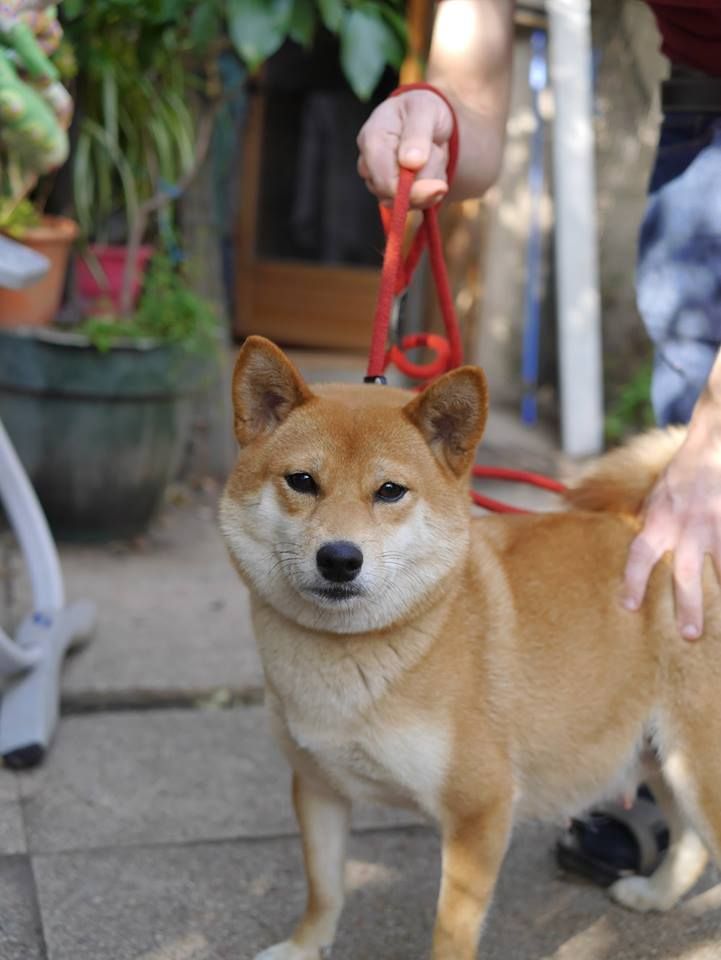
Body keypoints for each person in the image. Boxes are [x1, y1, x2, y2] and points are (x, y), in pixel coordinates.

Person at [357, 0, 721, 882]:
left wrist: (709, 448)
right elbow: (472, 94)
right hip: (700, 103)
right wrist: (435, 118)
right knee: (676, 539)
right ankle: (651, 746)